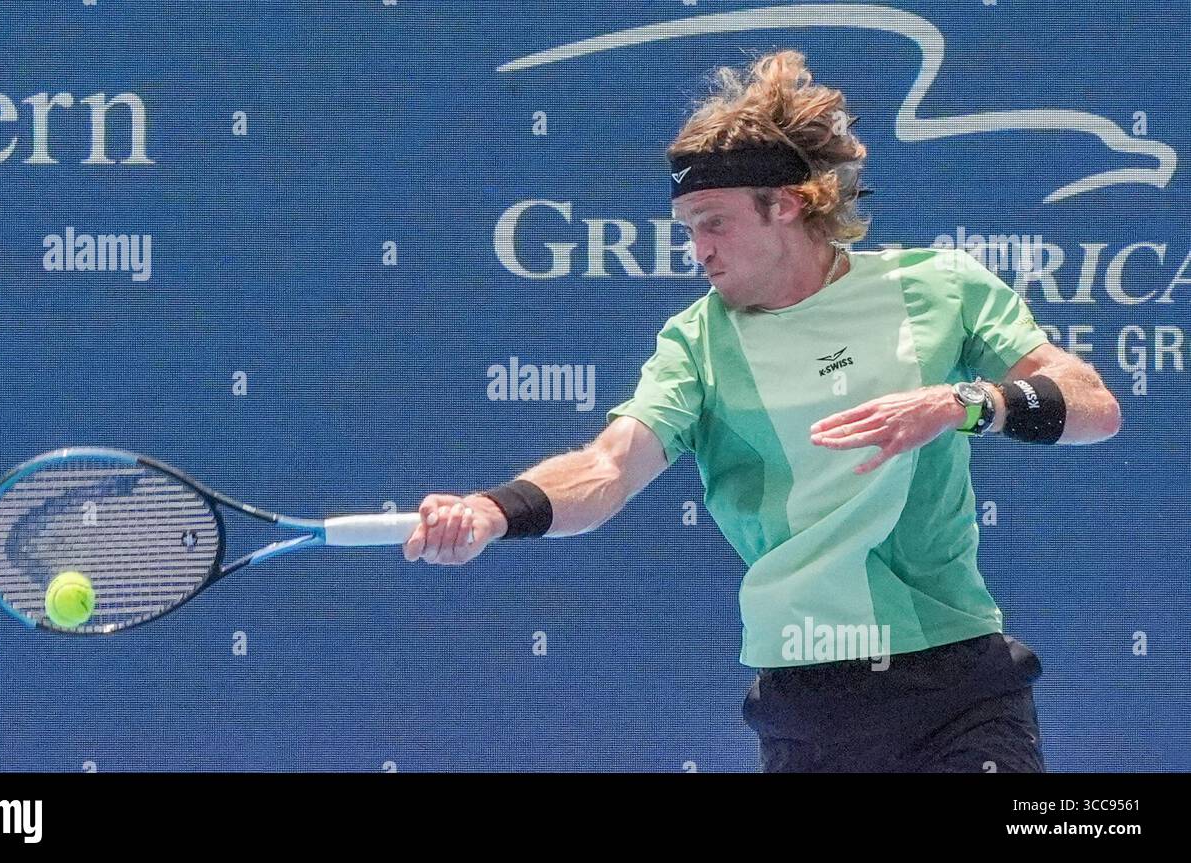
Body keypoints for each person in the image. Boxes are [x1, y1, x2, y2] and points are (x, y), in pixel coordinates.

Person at [402, 49, 1122, 772]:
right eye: (687, 227)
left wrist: (967, 402)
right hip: (809, 701)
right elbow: (606, 467)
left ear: (787, 204)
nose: (698, 250)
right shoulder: (696, 342)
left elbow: (1094, 407)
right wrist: (496, 511)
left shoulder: (941, 287)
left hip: (960, 681)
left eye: (712, 222)